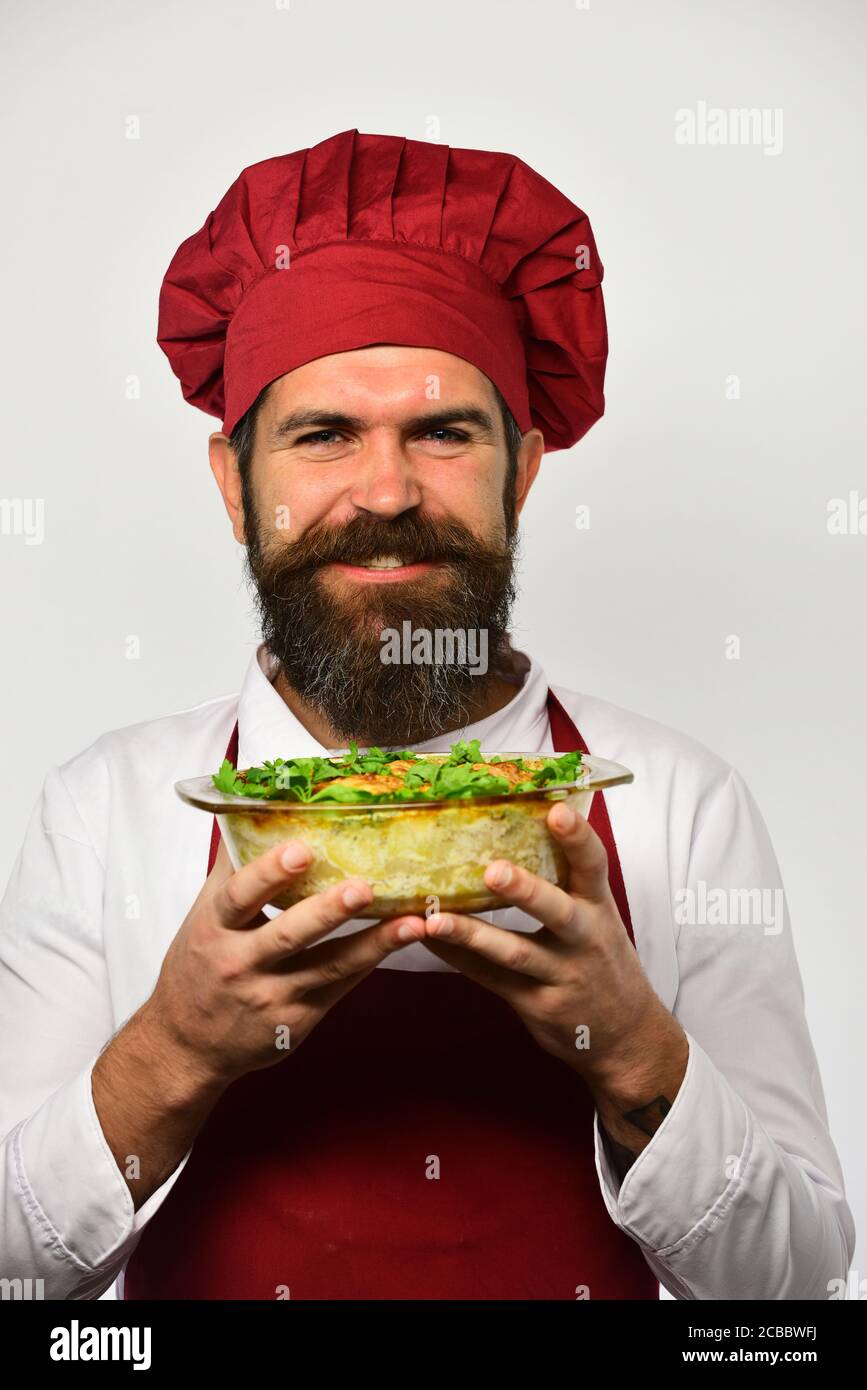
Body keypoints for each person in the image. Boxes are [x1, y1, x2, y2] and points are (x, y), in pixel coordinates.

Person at [0, 129, 854, 1301]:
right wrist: (175, 1050)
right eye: (324, 434)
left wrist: (638, 1048)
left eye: (444, 431)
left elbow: (791, 1293)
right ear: (232, 485)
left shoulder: (674, 800)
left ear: (524, 471)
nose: (388, 490)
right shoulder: (106, 806)